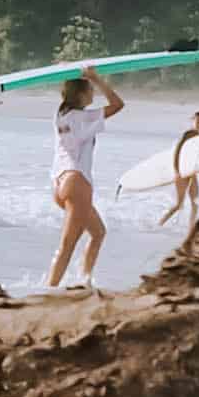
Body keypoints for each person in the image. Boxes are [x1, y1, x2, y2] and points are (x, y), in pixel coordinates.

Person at [44, 64, 122, 291]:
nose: (94, 94)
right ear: (80, 94)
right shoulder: (83, 117)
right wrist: (97, 78)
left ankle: (84, 280)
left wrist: (69, 71)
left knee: (98, 233)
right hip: (77, 182)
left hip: (59, 182)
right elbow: (118, 104)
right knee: (67, 245)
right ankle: (48, 291)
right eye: (90, 90)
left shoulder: (61, 115)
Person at [158, 107, 199, 225]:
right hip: (182, 171)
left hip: (191, 172)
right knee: (179, 204)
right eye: (197, 121)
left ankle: (191, 228)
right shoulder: (189, 133)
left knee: (195, 203)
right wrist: (176, 170)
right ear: (193, 120)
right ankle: (160, 224)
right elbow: (178, 150)